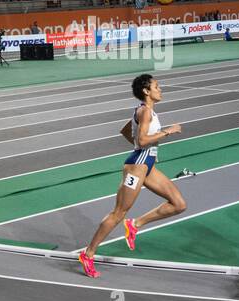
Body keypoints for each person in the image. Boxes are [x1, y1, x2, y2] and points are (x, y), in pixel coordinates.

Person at [79, 74, 185, 277]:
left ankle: (135, 224)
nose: (160, 89)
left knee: (178, 204)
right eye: (157, 86)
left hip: (147, 165)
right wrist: (168, 132)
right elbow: (143, 140)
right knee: (118, 213)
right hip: (137, 167)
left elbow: (127, 132)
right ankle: (88, 254)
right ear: (146, 91)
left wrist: (145, 150)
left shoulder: (145, 111)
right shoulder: (145, 111)